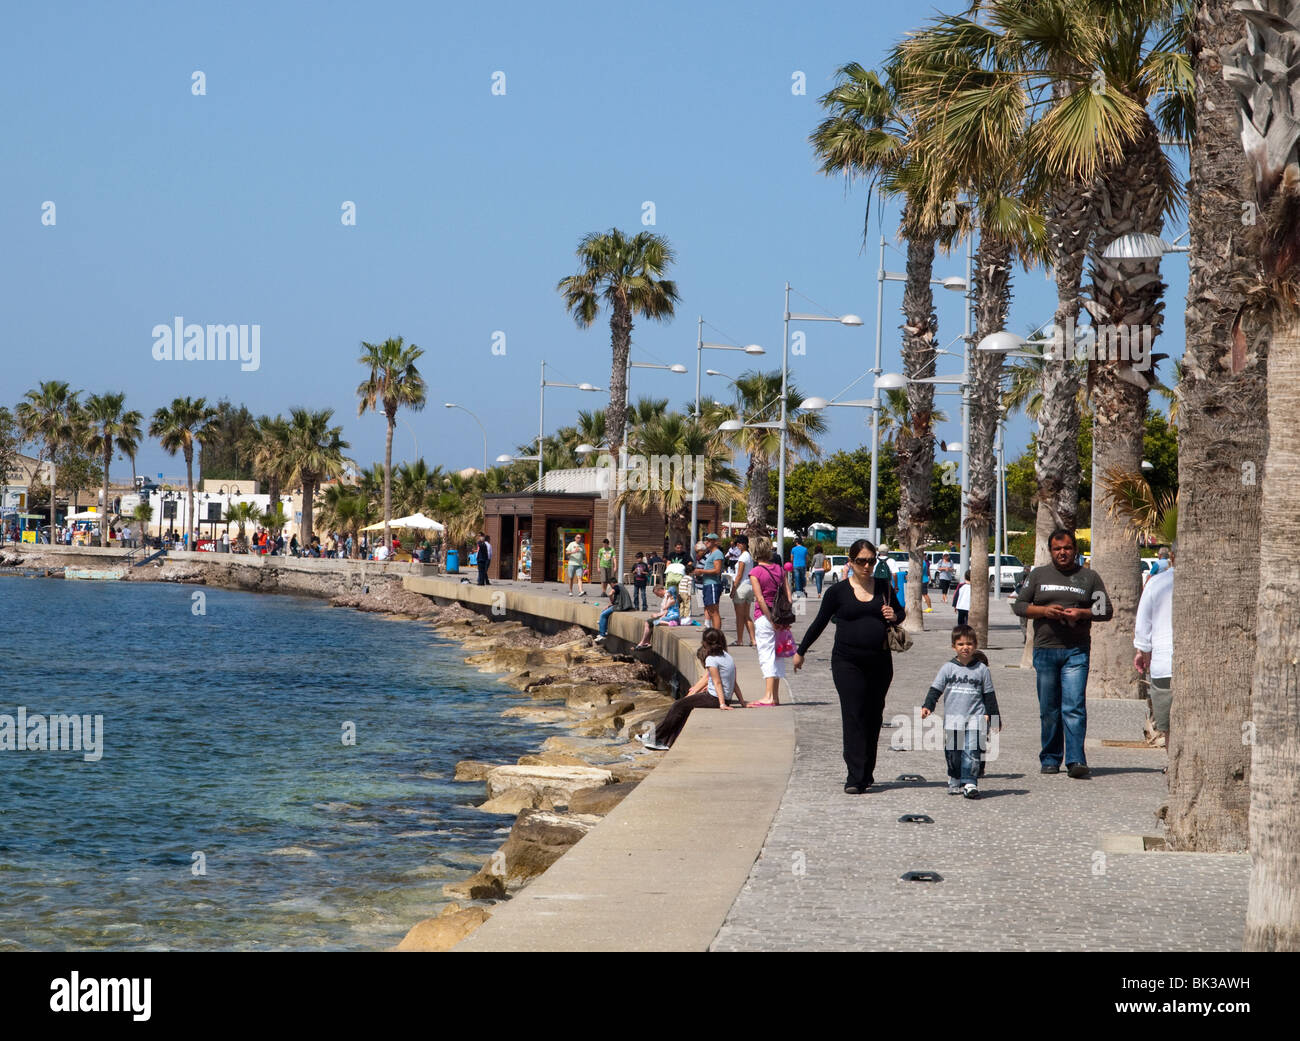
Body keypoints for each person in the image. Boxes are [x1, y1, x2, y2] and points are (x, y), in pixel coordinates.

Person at [792, 538, 906, 794]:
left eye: (871, 561)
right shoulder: (838, 592)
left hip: (879, 662)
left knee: (873, 716)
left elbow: (901, 613)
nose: (867, 566)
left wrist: (894, 615)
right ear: (851, 562)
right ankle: (854, 776)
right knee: (853, 714)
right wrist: (801, 651)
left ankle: (867, 772)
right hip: (847, 662)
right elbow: (820, 622)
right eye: (862, 561)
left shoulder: (884, 587)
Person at [1011, 528, 1114, 778]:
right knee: (1049, 708)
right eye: (1057, 549)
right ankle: (1050, 757)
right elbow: (1019, 605)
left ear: (1075, 550)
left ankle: (1076, 760)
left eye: (1067, 548)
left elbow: (1106, 610)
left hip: (1076, 652)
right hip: (1045, 650)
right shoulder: (1037, 575)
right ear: (1051, 551)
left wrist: (1083, 613)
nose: (1062, 553)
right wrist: (1044, 611)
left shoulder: (1089, 577)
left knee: (1074, 706)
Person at [921, 625, 1002, 799]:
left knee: (972, 750)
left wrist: (995, 719)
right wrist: (928, 705)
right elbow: (936, 689)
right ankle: (955, 777)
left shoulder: (982, 670)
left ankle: (970, 782)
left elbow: (989, 695)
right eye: (960, 644)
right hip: (953, 720)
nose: (965, 647)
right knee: (953, 752)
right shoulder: (947, 668)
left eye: (969, 644)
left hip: (976, 718)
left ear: (975, 645)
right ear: (953, 646)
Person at [639, 628, 747, 749]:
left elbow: (717, 682)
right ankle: (665, 741)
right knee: (683, 707)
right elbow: (734, 683)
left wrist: (722, 703)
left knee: (678, 705)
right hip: (722, 697)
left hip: (714, 697)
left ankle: (655, 738)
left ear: (706, 643)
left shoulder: (711, 659)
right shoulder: (728, 657)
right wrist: (742, 702)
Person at [1134, 540, 1175, 765]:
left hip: (1163, 664)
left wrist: (1143, 652)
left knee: (1168, 726)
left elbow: (1144, 622)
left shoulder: (1157, 583)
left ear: (1172, 559)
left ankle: (1174, 766)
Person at [749, 535, 795, 707]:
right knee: (777, 656)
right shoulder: (779, 569)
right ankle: (774, 696)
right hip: (780, 616)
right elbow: (789, 596)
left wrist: (771, 619)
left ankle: (768, 696)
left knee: (766, 655)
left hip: (764, 616)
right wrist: (783, 617)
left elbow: (760, 599)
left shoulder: (755, 572)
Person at [634, 584, 680, 649]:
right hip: (668, 615)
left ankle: (643, 642)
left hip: (669, 615)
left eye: (657, 594)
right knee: (650, 622)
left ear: (660, 590)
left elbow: (666, 609)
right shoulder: (669, 596)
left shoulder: (668, 596)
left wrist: (658, 615)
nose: (657, 596)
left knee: (648, 622)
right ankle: (646, 642)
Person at [730, 534, 756, 647]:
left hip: (741, 587)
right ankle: (753, 639)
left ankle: (739, 640)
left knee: (739, 616)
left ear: (743, 544)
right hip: (749, 586)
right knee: (747, 615)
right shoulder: (749, 556)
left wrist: (733, 589)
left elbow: (739, 575)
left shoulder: (742, 557)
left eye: (739, 544)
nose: (738, 546)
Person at [698, 532, 726, 631]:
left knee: (714, 611)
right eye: (706, 540)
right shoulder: (710, 554)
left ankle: (717, 634)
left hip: (713, 584)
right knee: (710, 610)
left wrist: (701, 571)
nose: (707, 542)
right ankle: (715, 632)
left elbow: (717, 570)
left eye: (709, 540)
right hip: (707, 584)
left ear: (714, 542)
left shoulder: (717, 553)